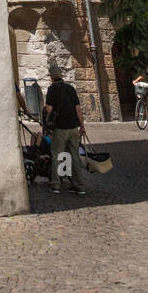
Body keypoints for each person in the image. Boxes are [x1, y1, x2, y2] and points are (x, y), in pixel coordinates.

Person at [43, 63, 88, 195]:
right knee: (74, 155)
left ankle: (56, 185)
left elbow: (49, 109)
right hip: (74, 126)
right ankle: (78, 185)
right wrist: (82, 126)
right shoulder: (70, 88)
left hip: (60, 127)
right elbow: (78, 109)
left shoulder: (52, 90)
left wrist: (45, 109)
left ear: (51, 77)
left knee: (57, 154)